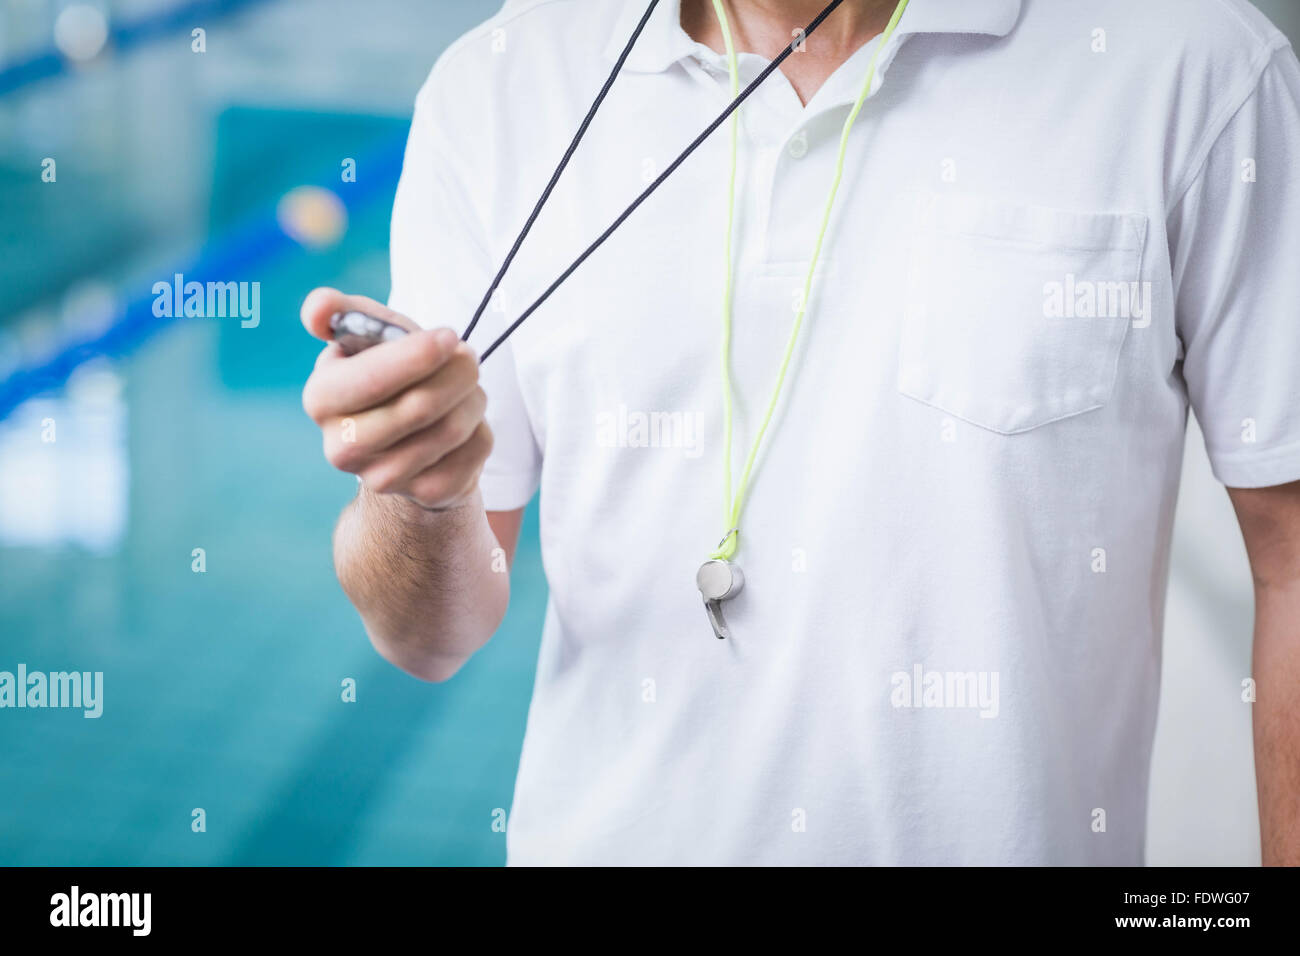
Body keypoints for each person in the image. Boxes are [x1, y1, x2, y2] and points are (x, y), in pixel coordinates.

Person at [299, 0, 1300, 865]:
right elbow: (428, 637)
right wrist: (424, 492)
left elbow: (1290, 555)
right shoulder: (504, 86)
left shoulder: (1190, 66)